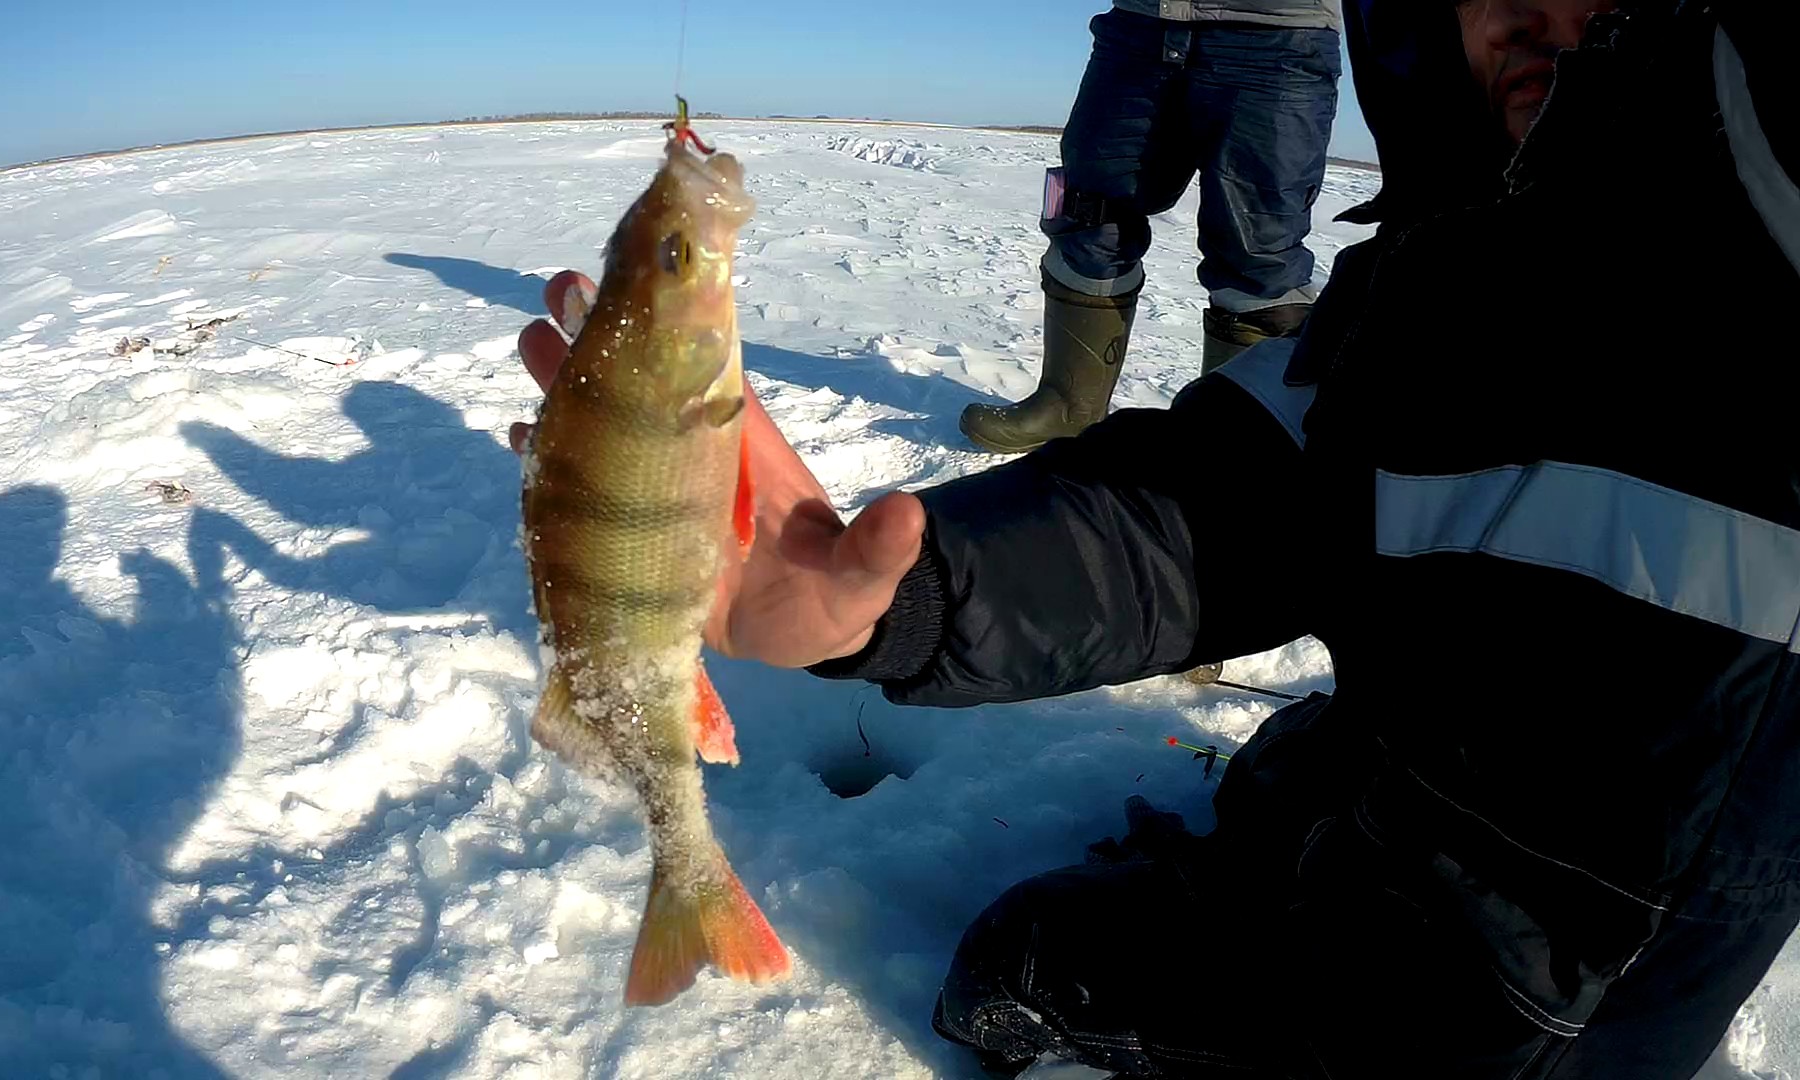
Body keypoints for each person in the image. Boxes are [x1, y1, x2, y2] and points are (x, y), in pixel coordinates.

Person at [512, 0, 1799, 1074]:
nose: (1523, 9)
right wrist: (906, 599)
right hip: (1435, 763)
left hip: (1563, 971)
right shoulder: (1452, 262)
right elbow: (1229, 499)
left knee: (1020, 970)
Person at [957, 0, 1344, 455]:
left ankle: (1234, 448)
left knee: (1260, 253)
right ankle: (1067, 408)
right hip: (1139, 28)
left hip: (1278, 37)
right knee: (1088, 215)